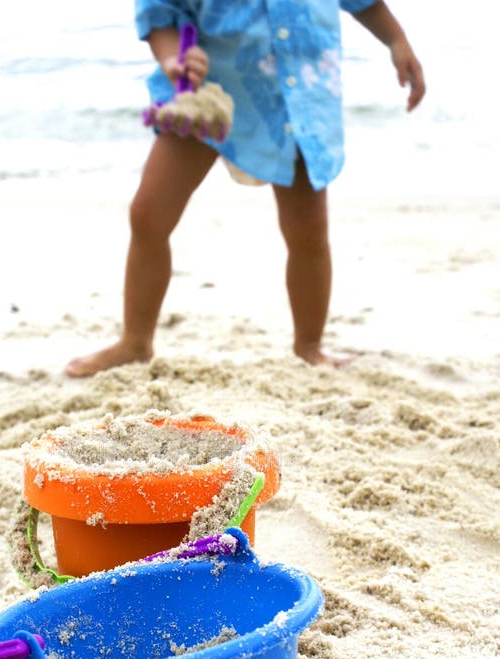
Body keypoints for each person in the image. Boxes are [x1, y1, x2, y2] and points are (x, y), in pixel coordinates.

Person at [65, 0, 425, 377]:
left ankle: (309, 345)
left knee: (308, 231)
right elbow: (162, 12)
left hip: (298, 97)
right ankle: (136, 342)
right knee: (148, 214)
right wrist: (174, 58)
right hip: (209, 92)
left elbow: (365, 3)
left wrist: (397, 41)